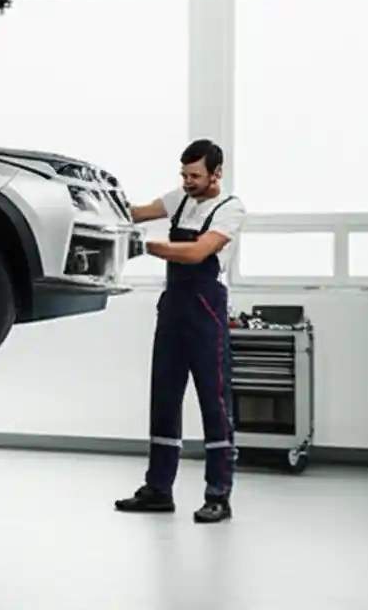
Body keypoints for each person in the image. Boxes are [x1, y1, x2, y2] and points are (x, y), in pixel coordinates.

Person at [115, 139, 246, 524]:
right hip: (173, 308)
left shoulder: (229, 209)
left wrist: (147, 248)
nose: (188, 182)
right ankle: (158, 489)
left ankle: (218, 496)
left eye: (195, 176)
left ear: (216, 173)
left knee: (214, 402)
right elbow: (136, 213)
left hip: (206, 311)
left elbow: (195, 252)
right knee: (164, 397)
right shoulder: (181, 198)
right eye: (184, 175)